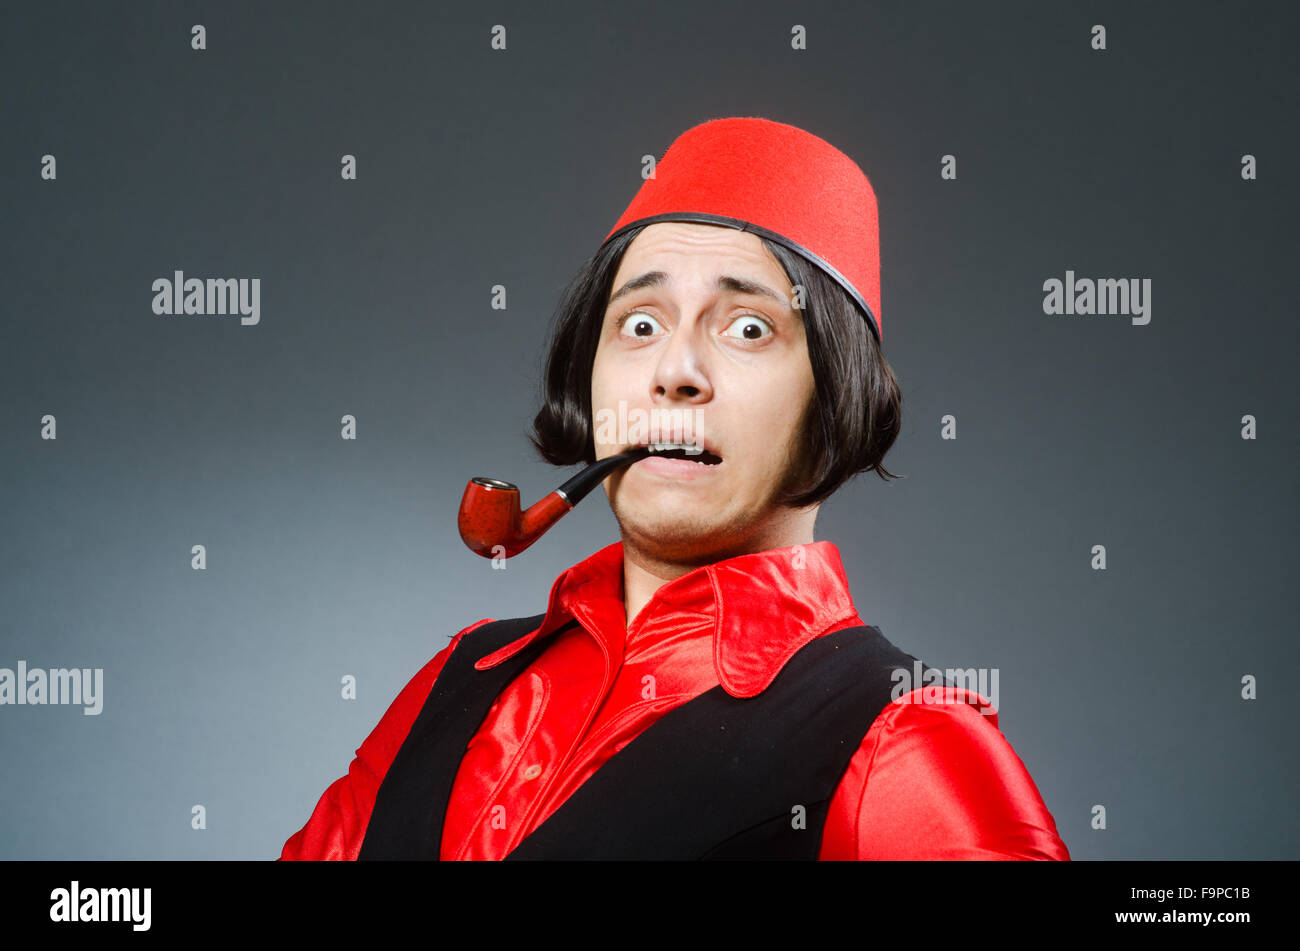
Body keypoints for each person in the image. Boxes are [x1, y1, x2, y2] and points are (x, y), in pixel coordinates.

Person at [279, 117, 1070, 860]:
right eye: (642, 324)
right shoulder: (462, 674)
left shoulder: (899, 740)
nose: (675, 373)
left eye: (748, 328)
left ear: (836, 400)